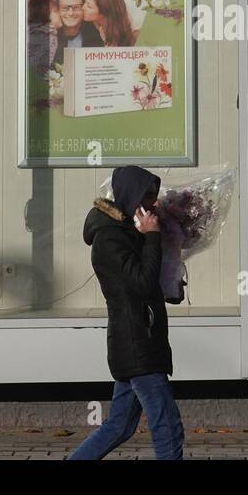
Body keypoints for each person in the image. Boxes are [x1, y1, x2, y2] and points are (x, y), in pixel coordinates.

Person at [68, 165, 184, 461]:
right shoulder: (110, 238)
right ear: (131, 196)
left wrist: (170, 278)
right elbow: (142, 283)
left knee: (119, 426)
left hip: (139, 339)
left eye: (154, 197)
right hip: (137, 343)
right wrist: (153, 238)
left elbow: (144, 282)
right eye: (147, 197)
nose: (153, 205)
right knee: (168, 427)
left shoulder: (127, 232)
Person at [50, 0, 103, 69]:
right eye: (65, 8)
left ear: (84, 8)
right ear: (58, 9)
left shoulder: (97, 34)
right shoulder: (49, 35)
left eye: (76, 7)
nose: (71, 13)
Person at [26, 0, 57, 77]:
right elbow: (33, 64)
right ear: (45, 15)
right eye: (56, 11)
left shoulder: (48, 34)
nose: (60, 14)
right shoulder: (43, 36)